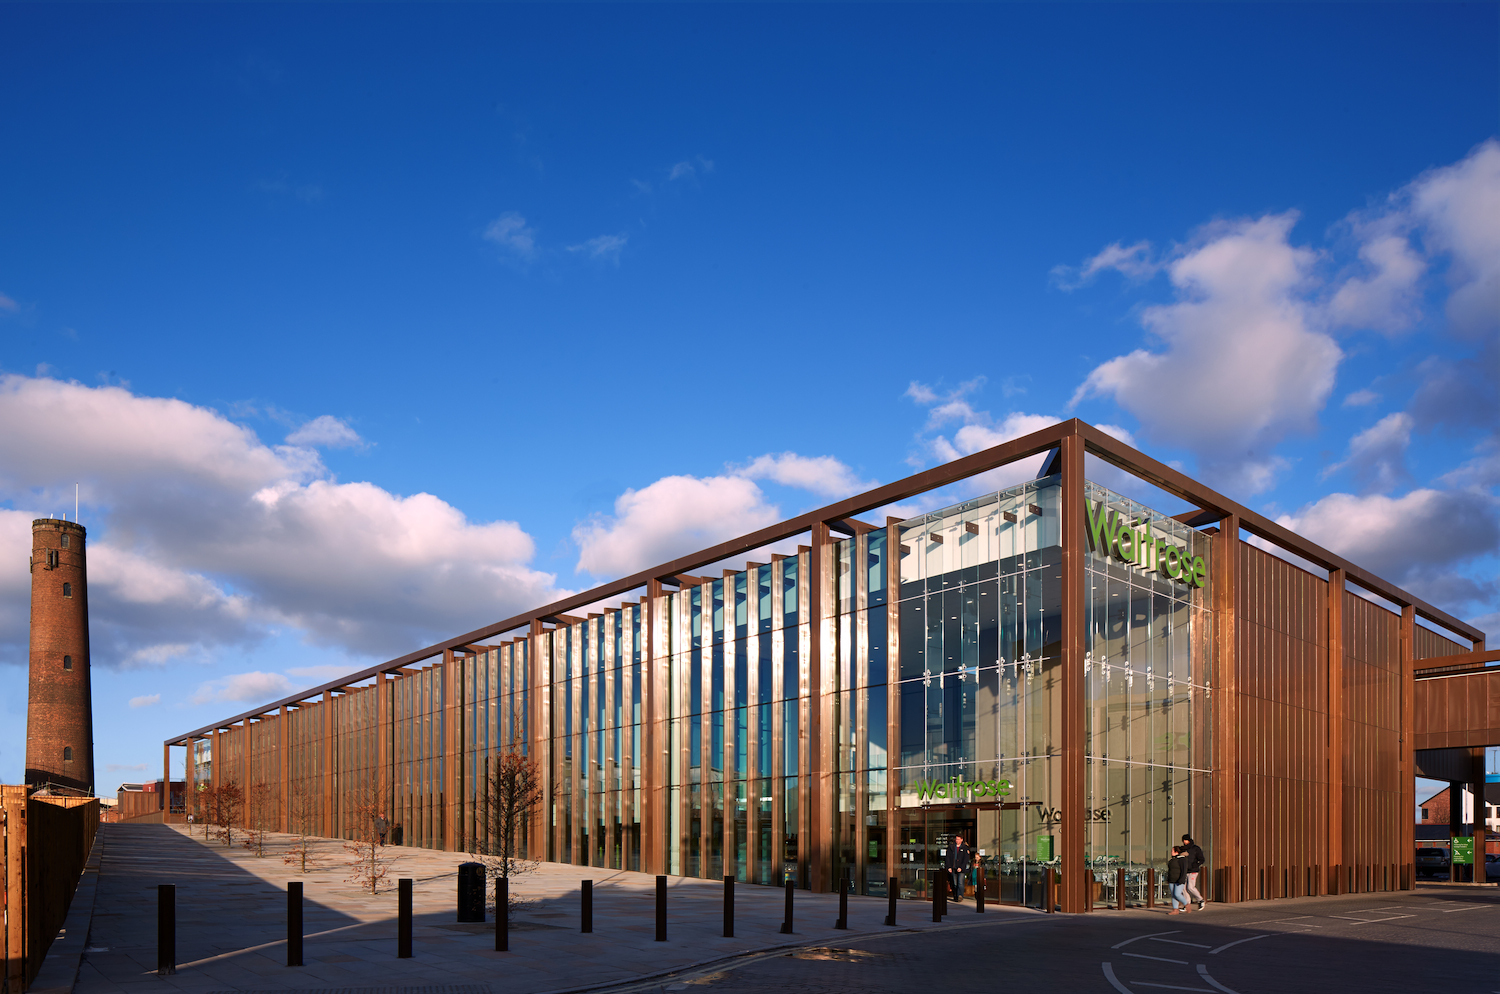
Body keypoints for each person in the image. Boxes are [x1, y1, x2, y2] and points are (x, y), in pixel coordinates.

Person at [945, 832, 973, 902]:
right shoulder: (951, 847)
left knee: (960, 882)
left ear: (961, 840)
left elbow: (966, 859)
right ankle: (955, 896)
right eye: (956, 839)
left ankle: (960, 895)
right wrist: (949, 867)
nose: (957, 840)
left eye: (958, 839)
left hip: (961, 868)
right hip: (953, 867)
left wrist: (961, 867)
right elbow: (948, 857)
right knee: (954, 883)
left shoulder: (965, 848)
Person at [1181, 834, 1206, 911]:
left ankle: (1200, 900)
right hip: (1185, 870)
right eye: (1183, 840)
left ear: (1189, 840)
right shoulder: (1183, 849)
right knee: (1183, 888)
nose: (1184, 842)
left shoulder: (1195, 848)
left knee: (1190, 887)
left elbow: (1202, 859)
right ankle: (1187, 904)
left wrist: (1196, 864)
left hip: (1193, 870)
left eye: (1185, 840)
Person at [1166, 846, 1191, 915]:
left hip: (1179, 880)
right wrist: (1168, 878)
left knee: (1177, 894)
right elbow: (1170, 870)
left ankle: (1186, 904)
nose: (1171, 852)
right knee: (1173, 895)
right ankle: (1175, 909)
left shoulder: (1182, 859)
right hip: (1172, 879)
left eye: (1172, 851)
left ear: (1176, 852)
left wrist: (1182, 879)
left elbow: (1184, 870)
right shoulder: (1171, 860)